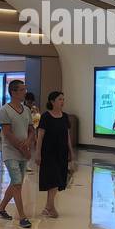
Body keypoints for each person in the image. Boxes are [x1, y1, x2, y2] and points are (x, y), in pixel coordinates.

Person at [0, 77, 33, 228]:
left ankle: (1, 208)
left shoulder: (27, 110)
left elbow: (31, 130)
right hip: (11, 152)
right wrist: (22, 148)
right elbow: (7, 133)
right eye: (22, 90)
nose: (25, 92)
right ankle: (22, 217)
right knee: (17, 183)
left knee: (16, 182)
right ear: (14, 92)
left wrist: (29, 142)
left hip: (23, 151)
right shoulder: (4, 110)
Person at [35, 90, 75, 218]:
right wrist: (37, 153)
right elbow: (40, 136)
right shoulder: (46, 117)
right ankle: (50, 208)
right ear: (52, 102)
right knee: (53, 179)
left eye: (63, 99)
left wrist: (71, 151)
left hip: (62, 153)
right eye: (60, 99)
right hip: (48, 153)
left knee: (58, 180)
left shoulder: (65, 117)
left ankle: (48, 207)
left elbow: (67, 135)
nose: (62, 102)